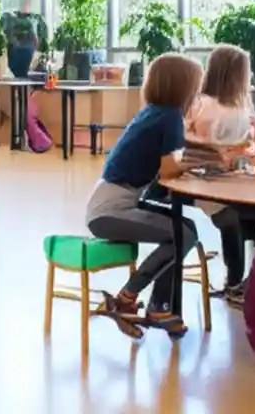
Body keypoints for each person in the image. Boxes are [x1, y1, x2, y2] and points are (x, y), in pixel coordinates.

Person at [86, 53, 205, 339]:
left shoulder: (155, 113)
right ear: (182, 87)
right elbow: (169, 171)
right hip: (111, 212)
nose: (197, 93)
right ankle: (128, 298)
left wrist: (195, 157)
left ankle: (157, 305)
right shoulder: (170, 117)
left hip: (109, 204)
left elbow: (169, 162)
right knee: (183, 234)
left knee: (185, 229)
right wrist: (201, 163)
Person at [184, 44, 255, 305]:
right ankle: (234, 282)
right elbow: (186, 144)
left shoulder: (243, 105)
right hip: (202, 182)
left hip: (233, 181)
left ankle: (243, 280)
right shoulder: (200, 105)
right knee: (230, 217)